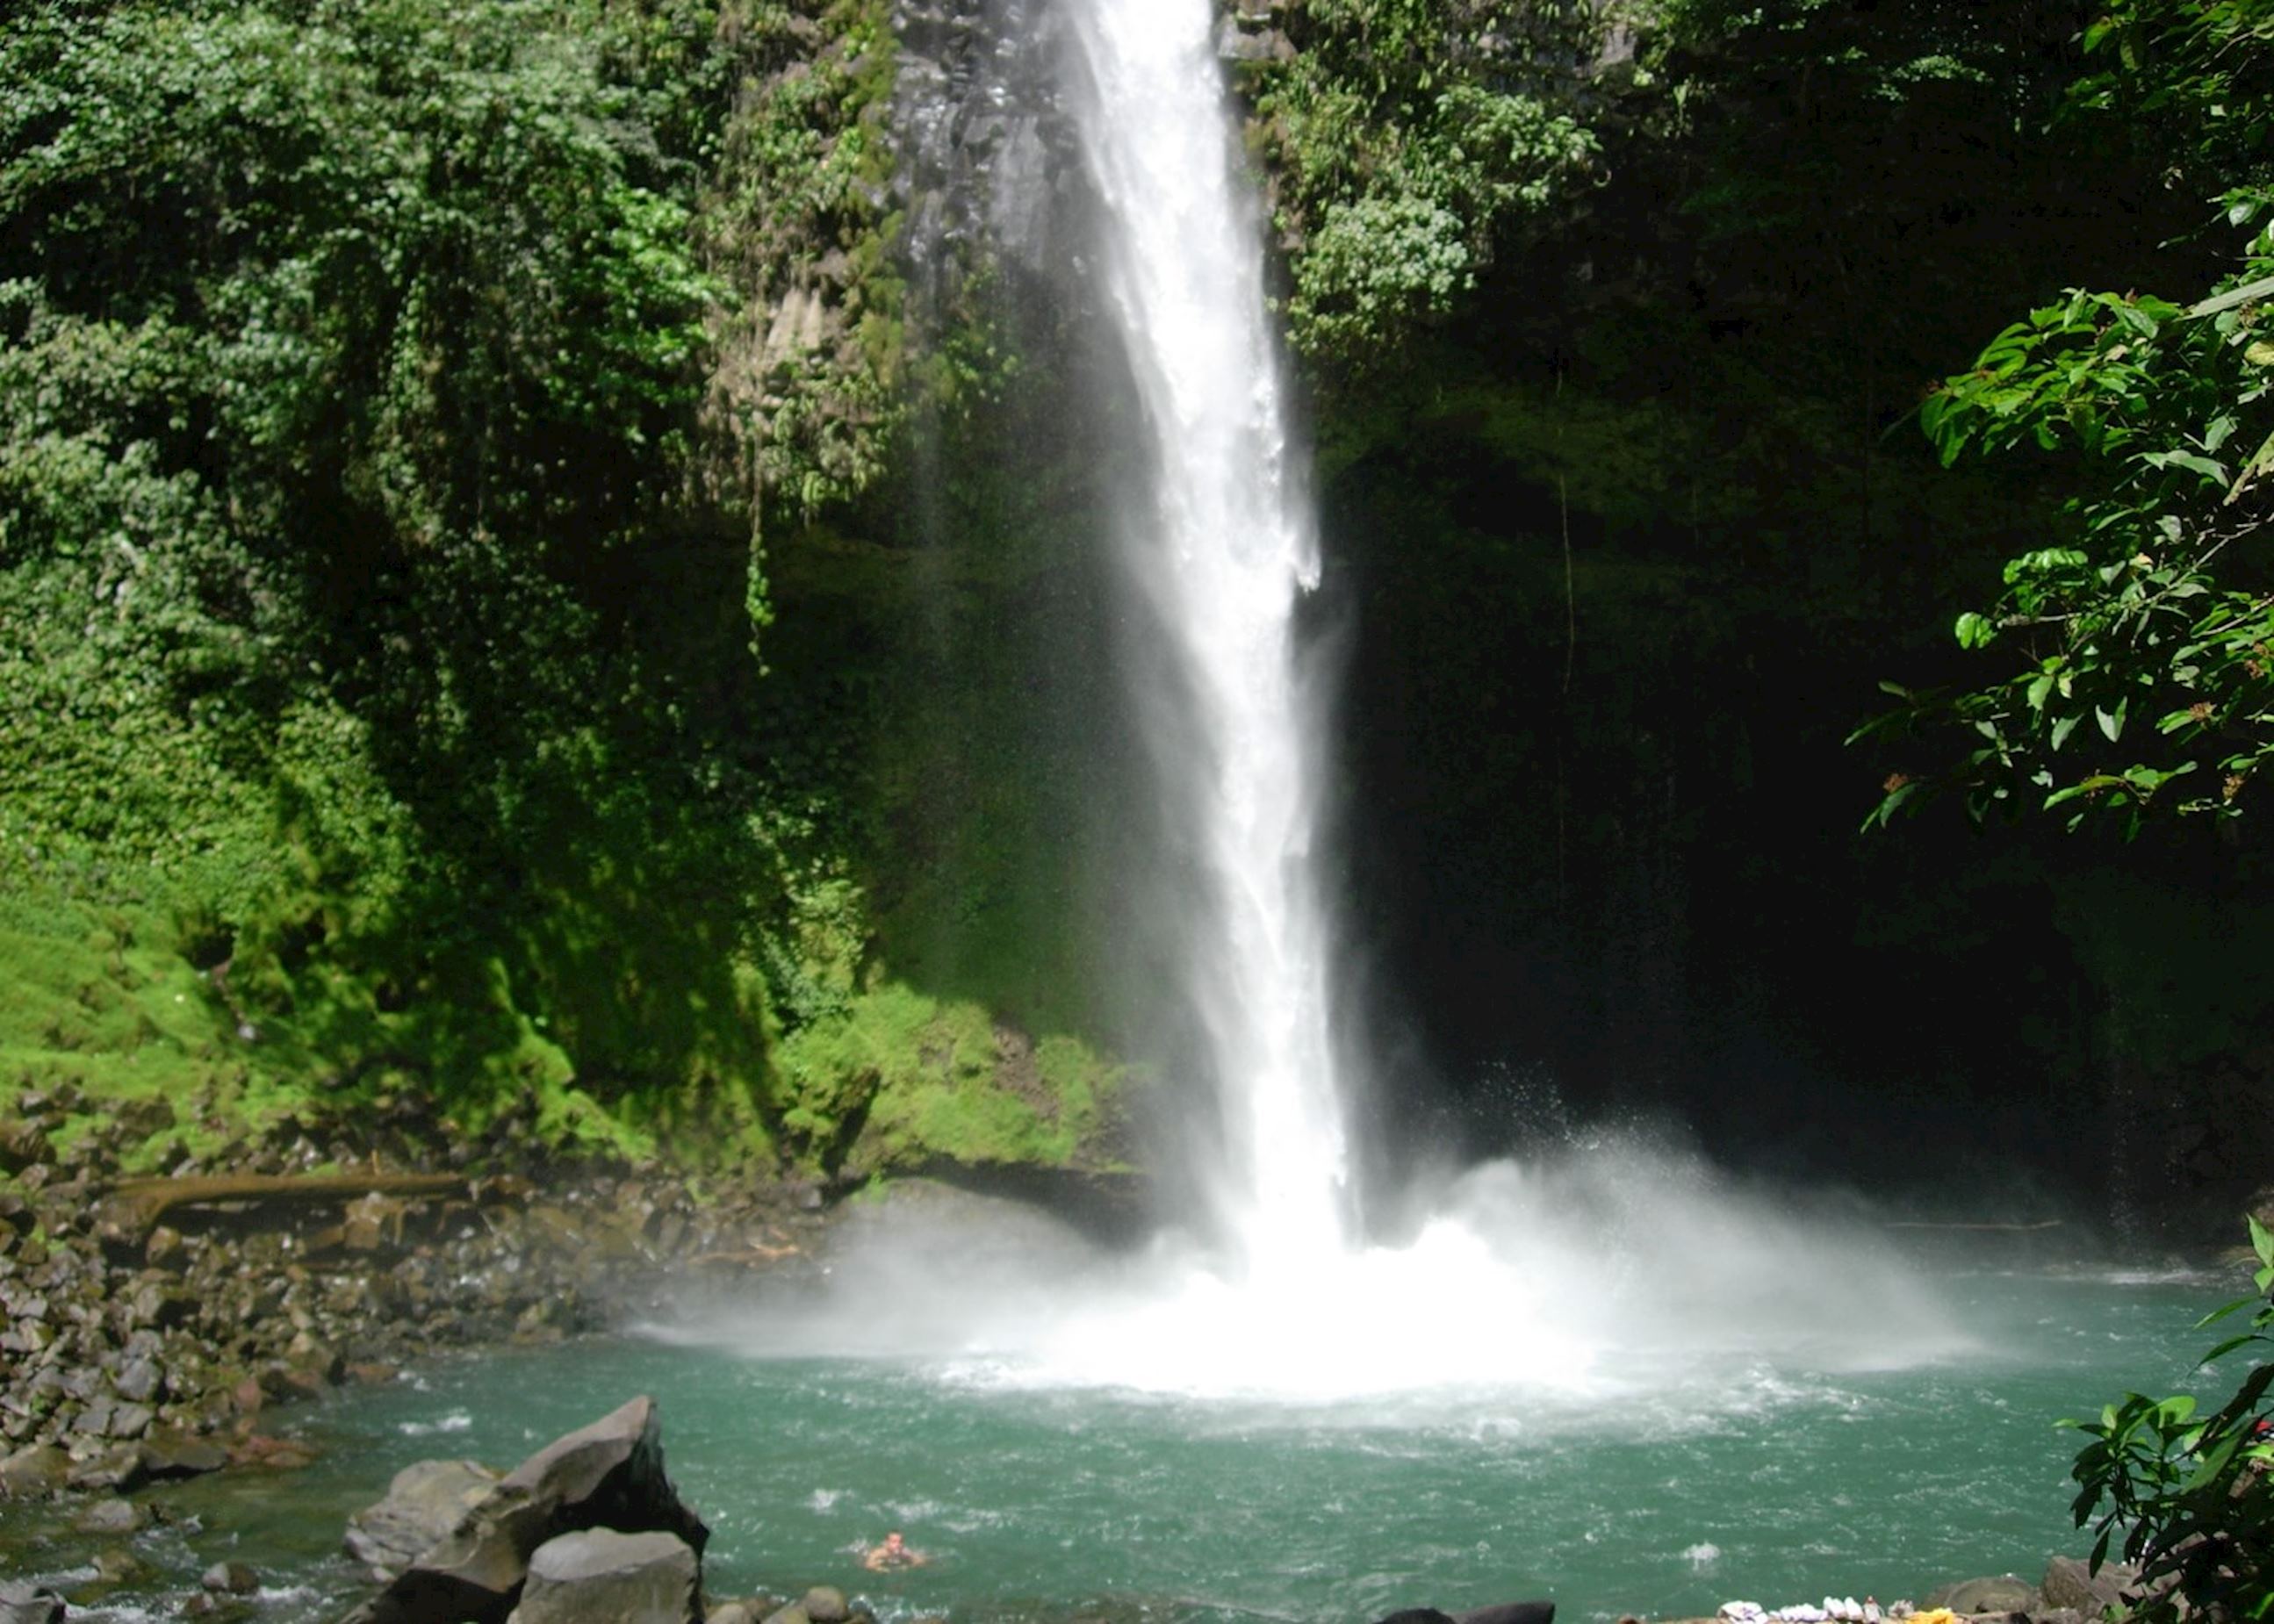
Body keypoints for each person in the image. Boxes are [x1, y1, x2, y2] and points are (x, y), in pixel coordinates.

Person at [863, 1531, 928, 1572]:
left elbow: (920, 1561)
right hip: (869, 1559)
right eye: (894, 1542)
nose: (898, 1545)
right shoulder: (880, 1553)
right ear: (886, 1543)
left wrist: (908, 1567)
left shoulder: (904, 1552)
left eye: (900, 1542)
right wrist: (882, 1569)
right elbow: (869, 1565)